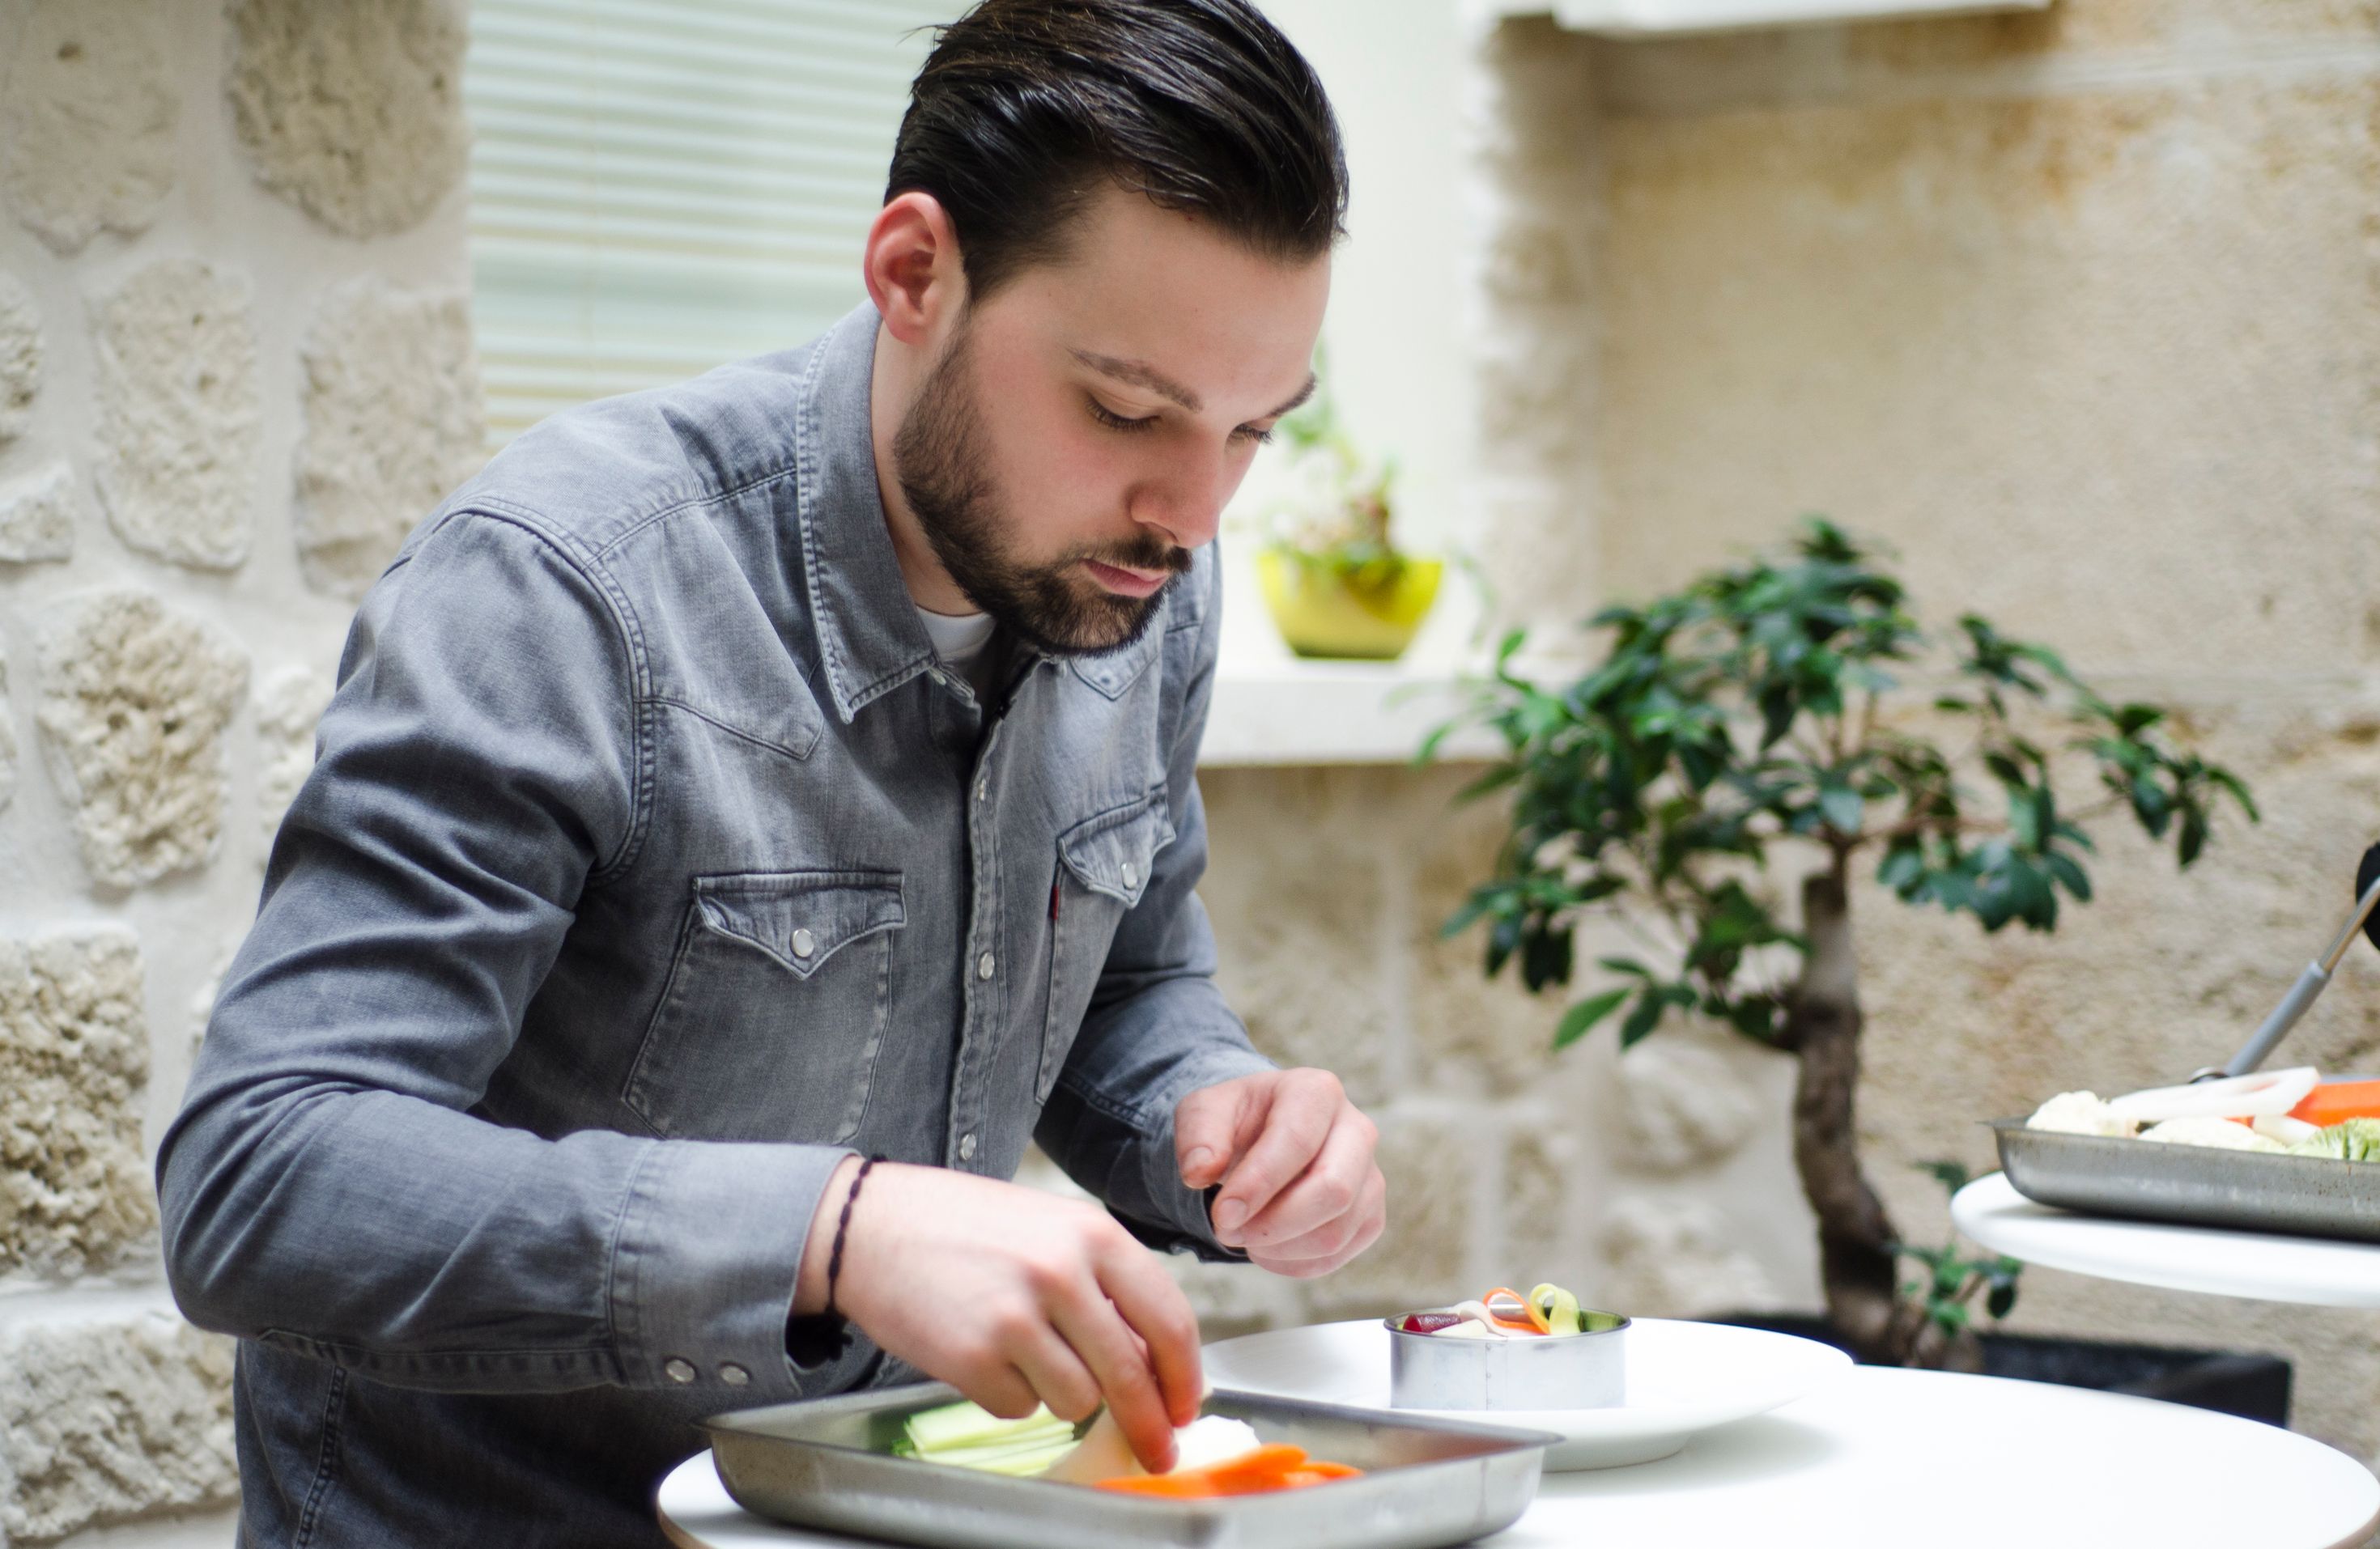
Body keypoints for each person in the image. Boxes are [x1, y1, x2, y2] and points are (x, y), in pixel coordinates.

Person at [155, 2, 1387, 1543]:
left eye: (1252, 432)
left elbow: (1128, 985)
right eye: (1126, 409)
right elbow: (263, 1180)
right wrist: (833, 1230)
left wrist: (1218, 1122)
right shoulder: (561, 588)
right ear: (914, 273)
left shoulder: (1138, 579)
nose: (1192, 509)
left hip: (881, 1510)